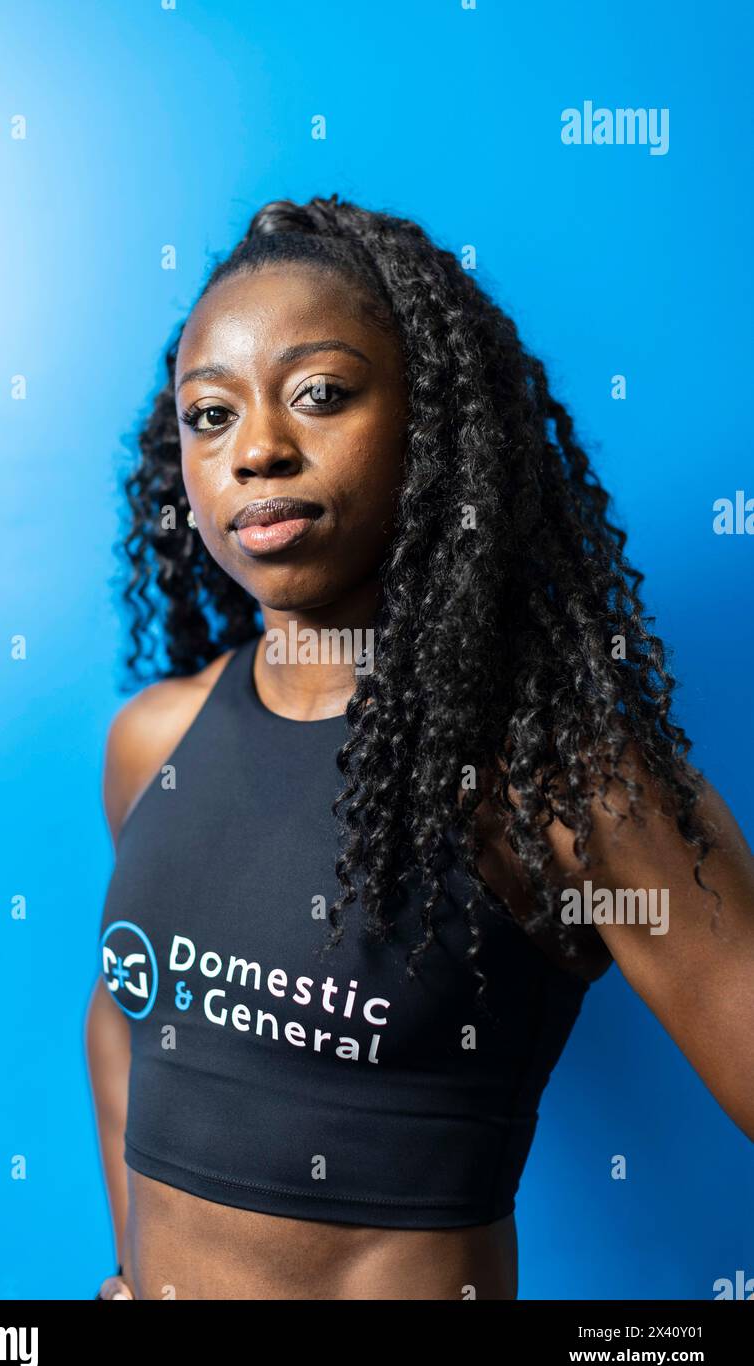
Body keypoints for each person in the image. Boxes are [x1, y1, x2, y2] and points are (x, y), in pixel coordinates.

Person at [85, 194, 754, 1301]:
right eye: (210, 415)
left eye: (321, 395)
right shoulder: (152, 740)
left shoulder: (563, 783)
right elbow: (126, 1014)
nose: (258, 448)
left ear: (434, 427)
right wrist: (127, 1269)